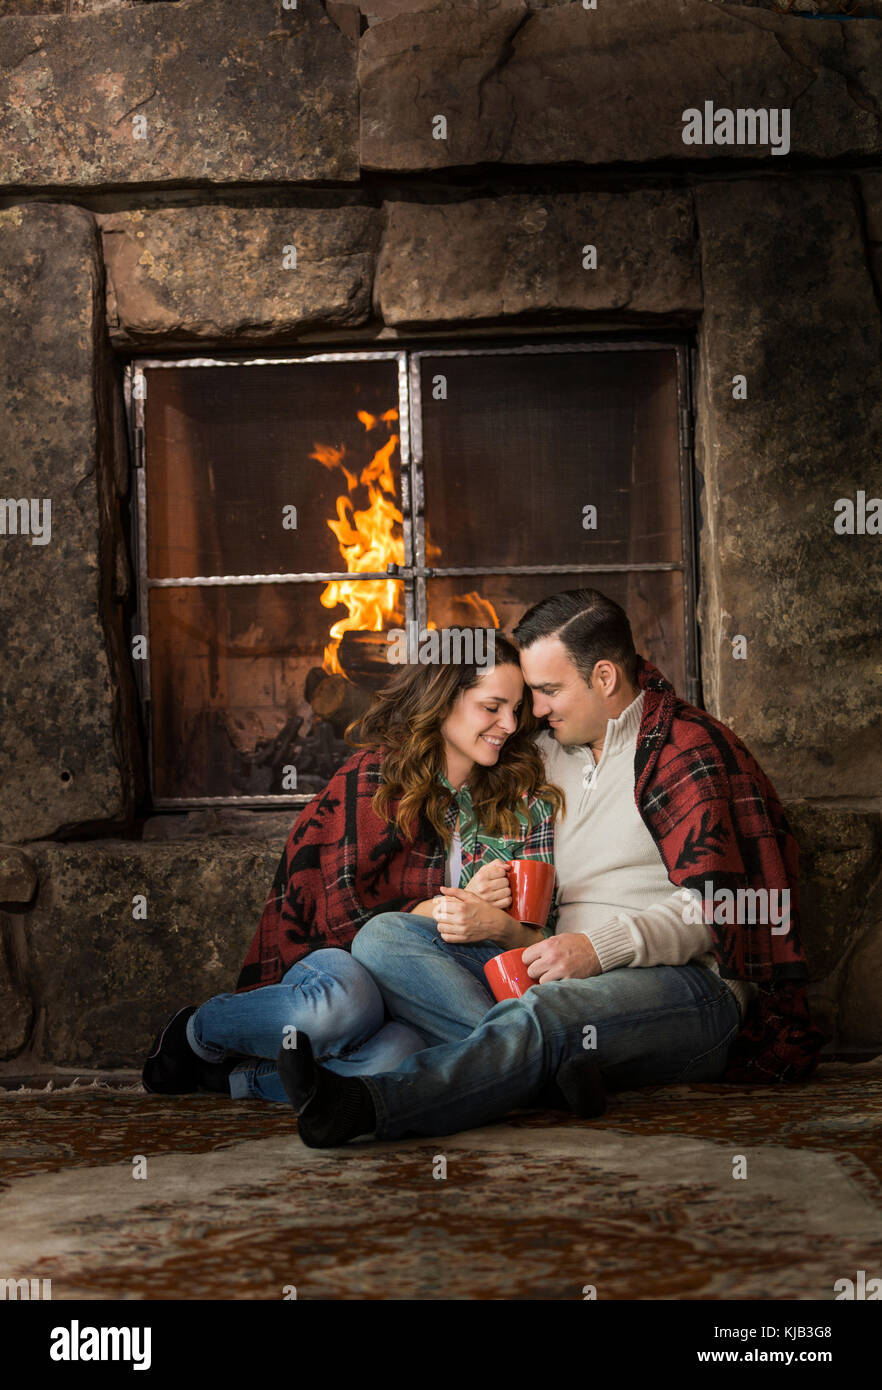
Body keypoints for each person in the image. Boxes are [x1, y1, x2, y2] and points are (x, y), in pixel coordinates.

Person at [273, 588, 827, 1147]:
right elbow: (455, 768)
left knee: (551, 1011)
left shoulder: (688, 752)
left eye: (548, 691)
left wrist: (597, 950)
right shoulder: (544, 757)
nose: (532, 712)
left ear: (605, 678)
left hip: (684, 989)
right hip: (547, 965)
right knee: (385, 939)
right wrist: (485, 891)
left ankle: (368, 1105)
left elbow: (719, 910)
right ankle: (550, 1075)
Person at [142, 632, 564, 1102]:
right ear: (444, 701)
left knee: (394, 1061)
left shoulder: (513, 799)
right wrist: (443, 910)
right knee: (341, 1009)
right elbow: (331, 913)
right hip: (342, 962)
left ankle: (239, 1079)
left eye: (516, 710)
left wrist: (491, 919)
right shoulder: (376, 777)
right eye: (492, 707)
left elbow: (531, 935)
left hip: (428, 988)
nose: (508, 724)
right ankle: (198, 1030)